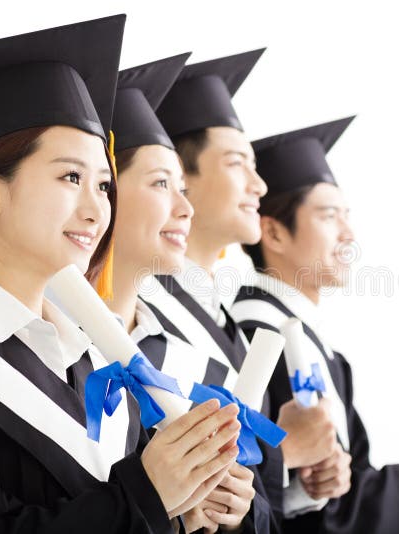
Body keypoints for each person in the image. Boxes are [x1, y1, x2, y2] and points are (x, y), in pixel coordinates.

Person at [0, 16, 241, 533]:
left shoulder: (99, 365)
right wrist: (145, 497)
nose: (98, 212)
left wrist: (206, 511)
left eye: (103, 185)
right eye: (70, 176)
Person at [231, 117, 399, 533]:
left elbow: (326, 495)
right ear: (273, 232)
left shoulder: (302, 334)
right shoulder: (259, 335)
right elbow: (316, 515)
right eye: (330, 216)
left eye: (347, 216)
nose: (349, 233)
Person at [142, 50, 341, 524]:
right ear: (177, 177)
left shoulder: (223, 316)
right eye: (237, 164)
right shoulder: (141, 317)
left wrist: (300, 486)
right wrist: (283, 451)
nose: (259, 184)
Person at [106, 53, 275, 533]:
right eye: (164, 183)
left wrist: (241, 509)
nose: (185, 208)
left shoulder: (195, 336)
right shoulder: (59, 345)